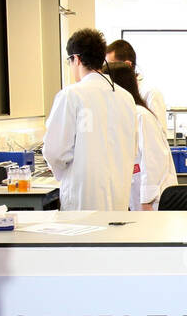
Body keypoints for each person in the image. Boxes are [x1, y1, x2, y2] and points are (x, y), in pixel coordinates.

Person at [42, 28, 137, 211]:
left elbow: (54, 152)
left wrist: (64, 174)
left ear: (75, 59)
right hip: (119, 201)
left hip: (82, 202)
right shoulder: (125, 97)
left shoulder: (71, 95)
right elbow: (131, 149)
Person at [106, 61, 178, 210]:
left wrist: (146, 201)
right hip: (134, 197)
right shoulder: (123, 114)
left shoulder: (141, 116)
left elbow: (153, 162)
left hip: (152, 202)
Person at [106, 38, 167, 131]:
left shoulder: (151, 93)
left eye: (111, 65)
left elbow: (160, 134)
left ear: (127, 65)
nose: (106, 70)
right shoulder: (116, 93)